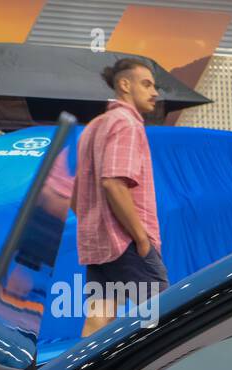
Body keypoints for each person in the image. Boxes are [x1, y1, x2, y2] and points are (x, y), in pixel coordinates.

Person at [73, 56, 165, 337]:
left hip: (99, 243)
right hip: (126, 242)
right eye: (147, 84)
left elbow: (76, 195)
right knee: (165, 317)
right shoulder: (127, 123)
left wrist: (97, 224)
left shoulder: (93, 127)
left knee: (99, 318)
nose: (155, 93)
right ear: (125, 85)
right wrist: (139, 238)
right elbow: (113, 183)